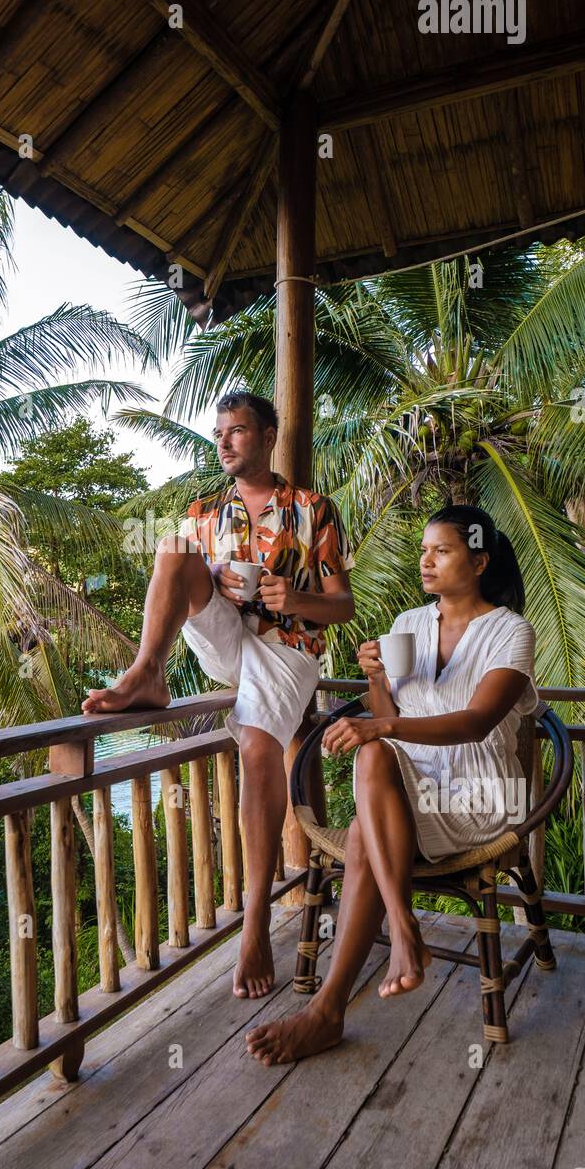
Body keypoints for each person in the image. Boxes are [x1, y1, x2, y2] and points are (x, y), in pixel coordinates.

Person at [82, 390, 355, 1000]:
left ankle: (253, 921)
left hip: (288, 648)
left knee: (259, 751)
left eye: (237, 431)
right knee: (175, 550)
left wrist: (295, 598)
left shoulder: (313, 509)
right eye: (219, 431)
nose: (224, 441)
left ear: (267, 437)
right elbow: (180, 585)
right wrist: (219, 585)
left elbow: (343, 604)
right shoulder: (205, 511)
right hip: (229, 638)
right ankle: (147, 671)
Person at [245, 504, 539, 1065]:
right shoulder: (408, 624)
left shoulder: (510, 632)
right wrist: (377, 681)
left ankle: (349, 986)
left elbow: (476, 722)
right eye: (424, 550)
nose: (426, 561)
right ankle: (385, 944)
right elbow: (389, 711)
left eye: (442, 551)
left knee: (364, 815)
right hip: (405, 787)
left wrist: (380, 723)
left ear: (478, 561)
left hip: (476, 794)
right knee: (374, 761)